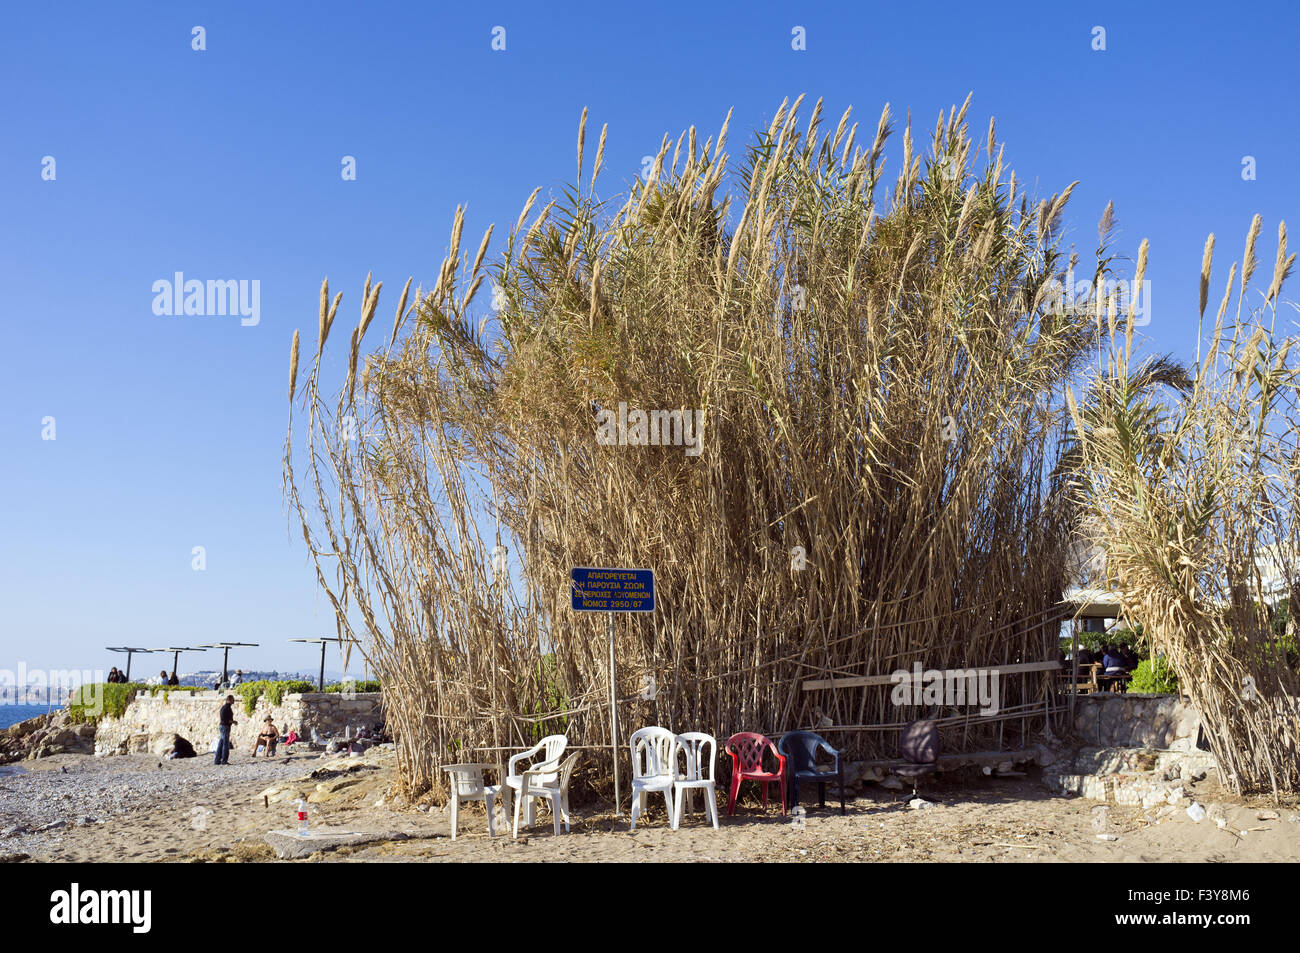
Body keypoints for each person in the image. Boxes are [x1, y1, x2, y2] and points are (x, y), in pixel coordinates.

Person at [214, 694, 237, 765]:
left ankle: (217, 760)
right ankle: (224, 760)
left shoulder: (225, 708)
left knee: (221, 743)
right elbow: (225, 719)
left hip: (223, 726)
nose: (234, 701)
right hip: (225, 727)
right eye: (232, 699)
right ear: (229, 700)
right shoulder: (226, 708)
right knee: (225, 744)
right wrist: (233, 722)